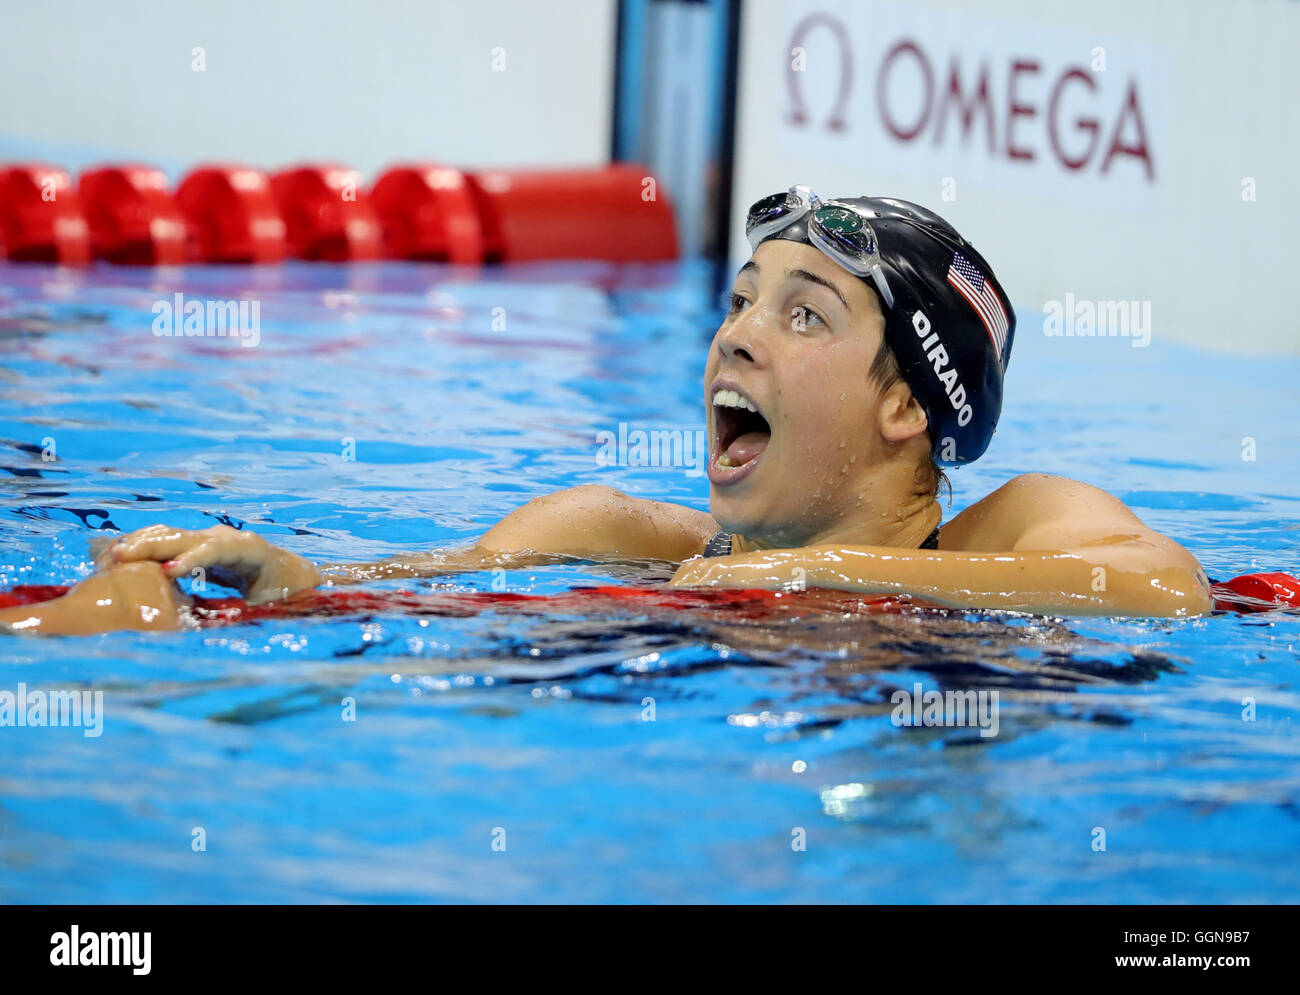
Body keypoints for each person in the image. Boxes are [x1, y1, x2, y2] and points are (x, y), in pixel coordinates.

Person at [0, 187, 1211, 635]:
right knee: (137, 615)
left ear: (907, 401)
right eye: (739, 302)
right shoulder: (617, 535)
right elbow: (416, 590)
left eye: (803, 315)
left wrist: (824, 575)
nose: (734, 332)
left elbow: (1165, 588)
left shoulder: (1014, 528)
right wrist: (281, 571)